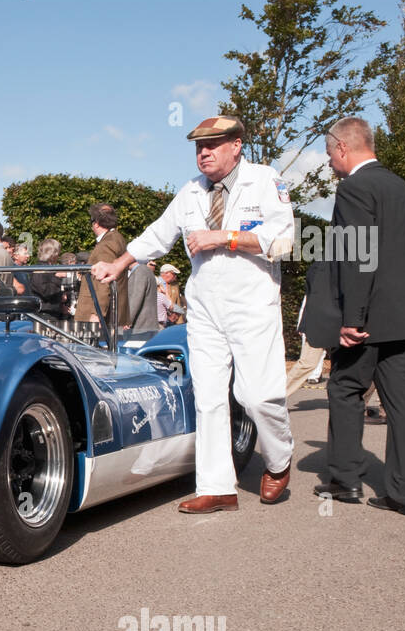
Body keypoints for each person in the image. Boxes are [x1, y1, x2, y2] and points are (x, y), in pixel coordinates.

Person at [94, 115, 295, 512]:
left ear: (237, 145)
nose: (203, 153)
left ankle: (279, 458)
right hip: (205, 307)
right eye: (199, 147)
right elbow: (158, 234)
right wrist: (119, 265)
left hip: (252, 304)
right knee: (208, 398)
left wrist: (226, 237)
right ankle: (217, 486)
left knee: (254, 396)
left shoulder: (265, 179)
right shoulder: (190, 192)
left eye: (214, 145)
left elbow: (286, 241)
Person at [304, 116, 405, 516]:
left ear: (343, 148)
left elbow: (357, 257)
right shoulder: (402, 187)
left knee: (344, 390)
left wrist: (352, 319)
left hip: (368, 320)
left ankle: (346, 481)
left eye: (329, 155)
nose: (329, 164)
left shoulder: (354, 188)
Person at [77, 203, 128, 326]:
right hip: (113, 314)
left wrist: (97, 314)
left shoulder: (106, 244)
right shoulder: (117, 238)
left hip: (99, 317)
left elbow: (102, 281)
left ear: (96, 223)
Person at [122, 256, 159, 334]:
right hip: (147, 325)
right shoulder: (146, 271)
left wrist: (127, 320)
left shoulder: (140, 271)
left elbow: (136, 298)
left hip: (140, 326)